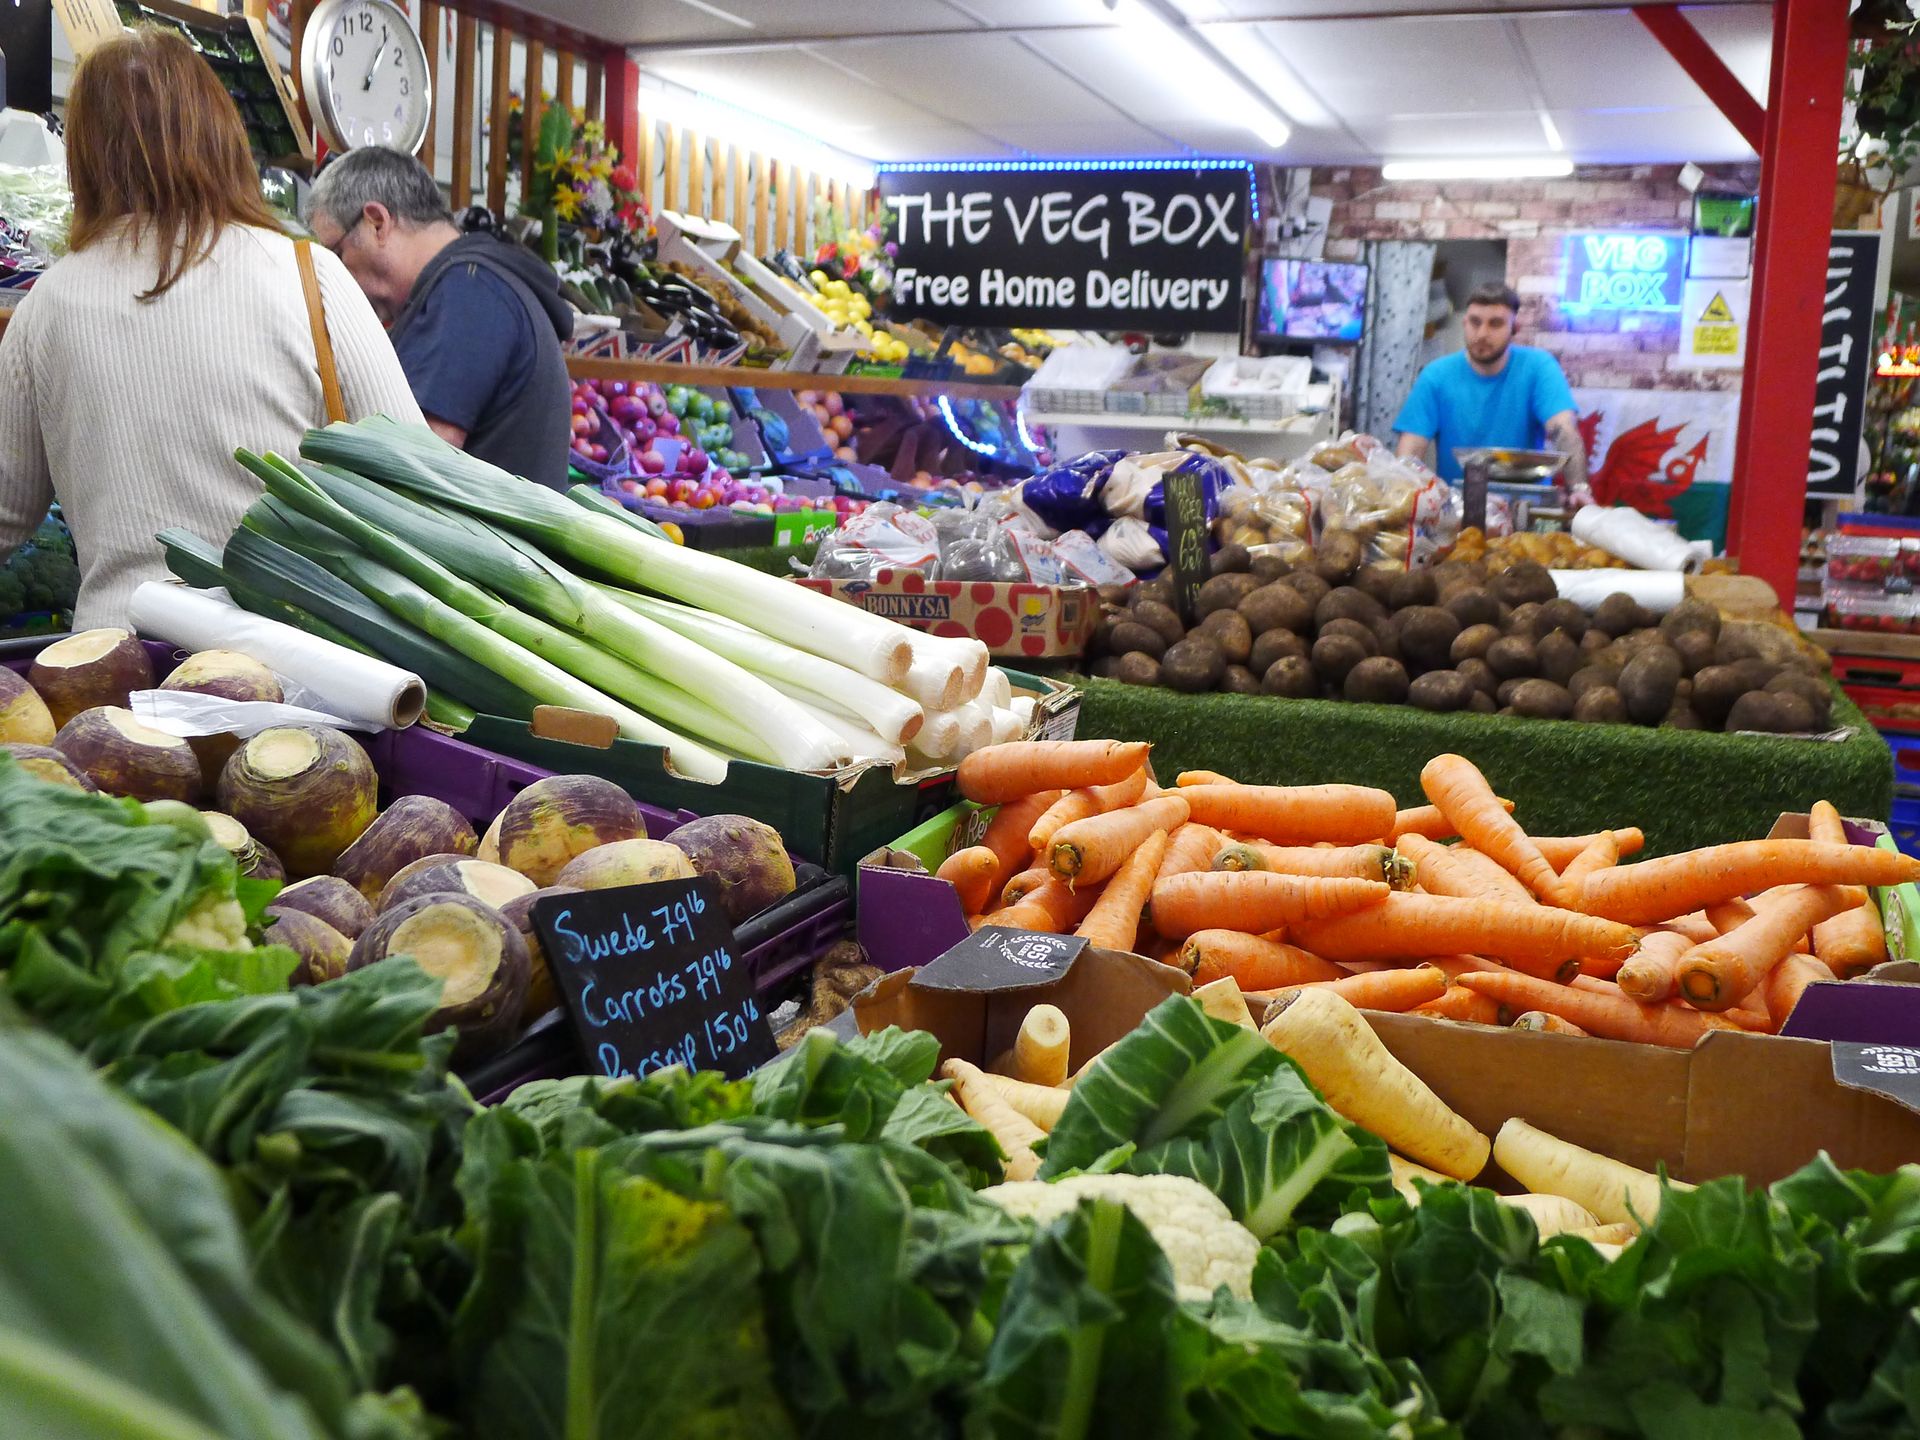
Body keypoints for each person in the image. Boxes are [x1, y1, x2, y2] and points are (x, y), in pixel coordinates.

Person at [0, 28, 422, 631]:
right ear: (222, 135)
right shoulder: (309, 275)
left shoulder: (47, 306)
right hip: (294, 671)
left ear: (84, 156)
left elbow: (6, 513)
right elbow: (411, 474)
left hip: (117, 671)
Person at [307, 148, 575, 490]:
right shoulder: (474, 281)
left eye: (336, 254)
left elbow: (416, 467)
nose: (336, 277)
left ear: (377, 222)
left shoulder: (467, 293)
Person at [1394, 282, 1588, 489]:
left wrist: (1579, 488)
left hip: (1526, 504)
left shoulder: (1539, 367)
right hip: (1457, 507)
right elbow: (1411, 449)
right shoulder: (1436, 375)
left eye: (1495, 324)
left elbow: (1563, 429)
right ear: (1465, 323)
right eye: (1475, 322)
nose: (1482, 334)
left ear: (1515, 328)